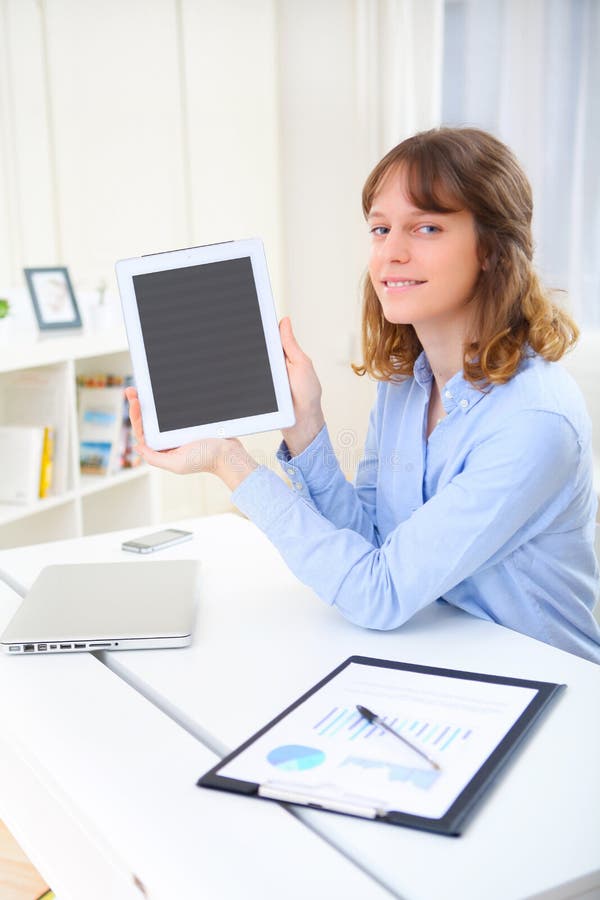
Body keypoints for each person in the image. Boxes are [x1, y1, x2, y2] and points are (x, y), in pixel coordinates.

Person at [126, 126, 600, 664]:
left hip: (546, 689)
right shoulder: (406, 385)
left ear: (491, 248)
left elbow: (381, 592)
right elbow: (373, 542)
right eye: (380, 229)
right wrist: (304, 427)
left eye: (425, 227)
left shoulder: (533, 420)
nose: (390, 254)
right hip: (441, 657)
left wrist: (232, 465)